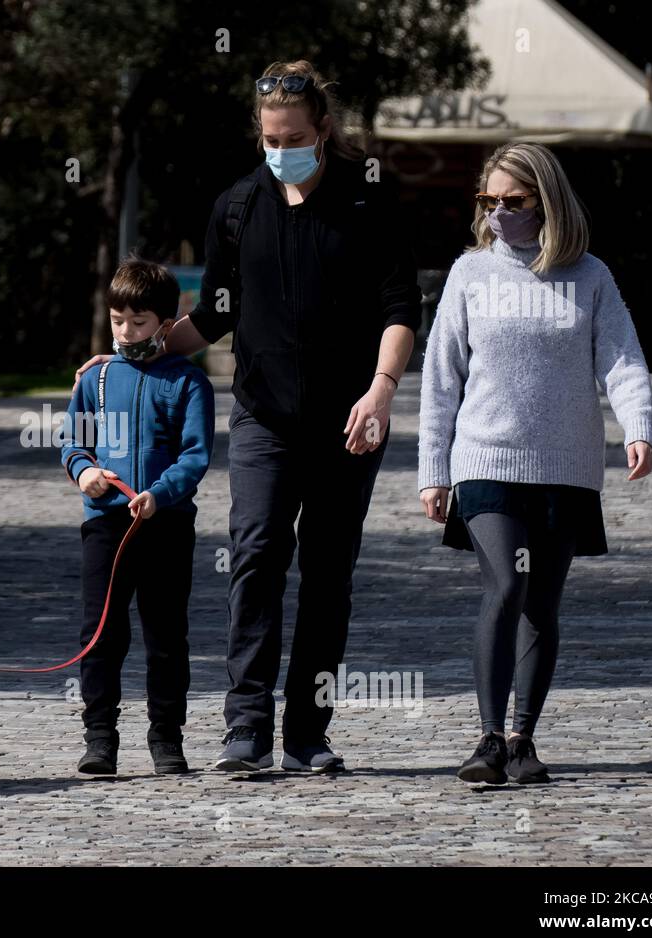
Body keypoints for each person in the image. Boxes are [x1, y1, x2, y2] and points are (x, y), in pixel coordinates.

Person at [74, 60, 421, 773]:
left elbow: (399, 306)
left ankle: (308, 734)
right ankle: (247, 726)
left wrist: (382, 389)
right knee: (257, 553)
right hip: (264, 418)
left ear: (322, 129)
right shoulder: (238, 207)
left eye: (293, 135)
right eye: (269, 136)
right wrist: (125, 359)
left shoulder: (368, 199)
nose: (280, 148)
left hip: (349, 422)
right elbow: (212, 314)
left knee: (328, 573)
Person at [418, 142, 652, 785]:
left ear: (546, 201)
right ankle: (488, 737)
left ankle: (524, 738)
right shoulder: (469, 274)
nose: (499, 213)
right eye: (488, 201)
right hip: (485, 458)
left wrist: (639, 428)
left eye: (514, 201)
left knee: (541, 604)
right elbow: (441, 376)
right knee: (506, 586)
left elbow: (621, 358)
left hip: (565, 463)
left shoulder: (590, 276)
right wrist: (433, 470)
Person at [60, 255, 216, 775]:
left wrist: (160, 493)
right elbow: (73, 442)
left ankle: (166, 738)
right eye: (117, 321)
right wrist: (84, 473)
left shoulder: (189, 383)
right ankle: (100, 737)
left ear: (165, 325)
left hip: (165, 524)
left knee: (166, 635)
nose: (127, 332)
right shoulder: (96, 378)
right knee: (101, 634)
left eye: (139, 322)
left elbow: (195, 455)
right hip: (104, 523)